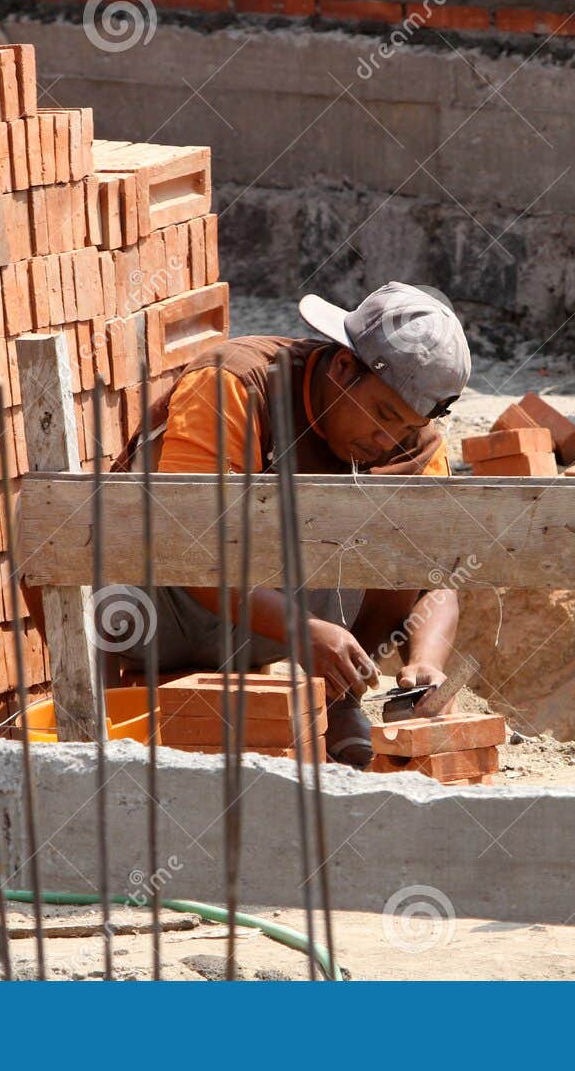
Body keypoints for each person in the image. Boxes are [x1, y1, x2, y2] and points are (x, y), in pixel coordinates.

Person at [105, 282, 472, 767]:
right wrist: (301, 631)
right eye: (382, 416)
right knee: (51, 533)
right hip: (154, 603)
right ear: (344, 367)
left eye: (405, 428)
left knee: (400, 553)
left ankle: (337, 704)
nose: (387, 441)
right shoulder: (237, 382)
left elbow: (436, 576)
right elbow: (191, 552)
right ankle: (101, 710)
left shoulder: (418, 444)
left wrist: (425, 662)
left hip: (272, 616)